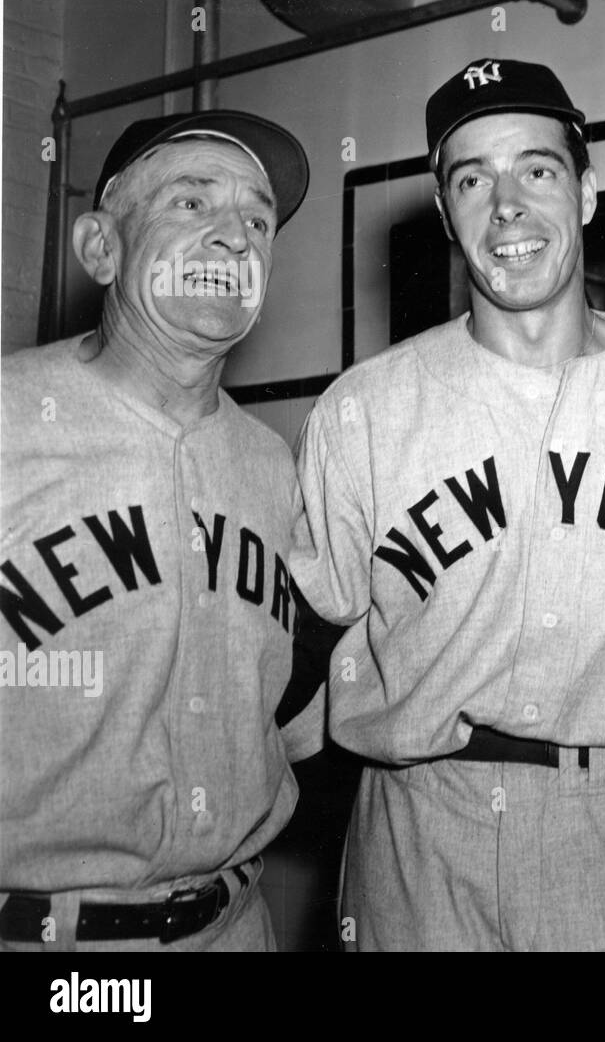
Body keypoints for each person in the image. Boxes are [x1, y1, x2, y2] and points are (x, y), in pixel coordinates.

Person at [290, 59, 605, 950]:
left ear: (586, 193)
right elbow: (300, 650)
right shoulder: (363, 409)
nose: (506, 204)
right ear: (445, 211)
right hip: (426, 832)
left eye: (537, 170)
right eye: (473, 178)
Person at [0, 110, 313, 950]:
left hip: (237, 924)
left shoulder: (272, 465)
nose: (234, 237)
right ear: (101, 248)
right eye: (190, 203)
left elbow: (286, 709)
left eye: (256, 217)